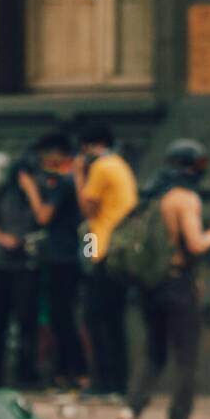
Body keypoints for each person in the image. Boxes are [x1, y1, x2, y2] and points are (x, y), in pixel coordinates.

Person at [117, 139, 210, 419]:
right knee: (186, 357)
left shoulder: (152, 196)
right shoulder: (185, 198)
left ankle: (131, 409)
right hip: (178, 284)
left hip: (150, 285)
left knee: (153, 350)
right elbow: (193, 243)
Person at [16, 132, 86, 390]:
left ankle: (73, 373)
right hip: (63, 257)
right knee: (61, 317)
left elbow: (44, 216)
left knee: (63, 317)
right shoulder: (68, 181)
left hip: (63, 259)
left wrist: (31, 190)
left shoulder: (65, 183)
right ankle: (68, 373)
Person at [75, 124, 137, 396]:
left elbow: (87, 207)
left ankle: (103, 383)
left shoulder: (101, 168)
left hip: (104, 252)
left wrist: (79, 173)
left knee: (95, 320)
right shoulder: (120, 165)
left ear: (92, 146)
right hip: (120, 252)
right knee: (113, 321)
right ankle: (118, 384)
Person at [0, 147, 41, 387]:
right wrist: (4, 239)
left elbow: (43, 219)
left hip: (27, 267)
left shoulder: (39, 193)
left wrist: (32, 190)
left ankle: (26, 377)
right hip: (2, 266)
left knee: (27, 324)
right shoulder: (3, 192)